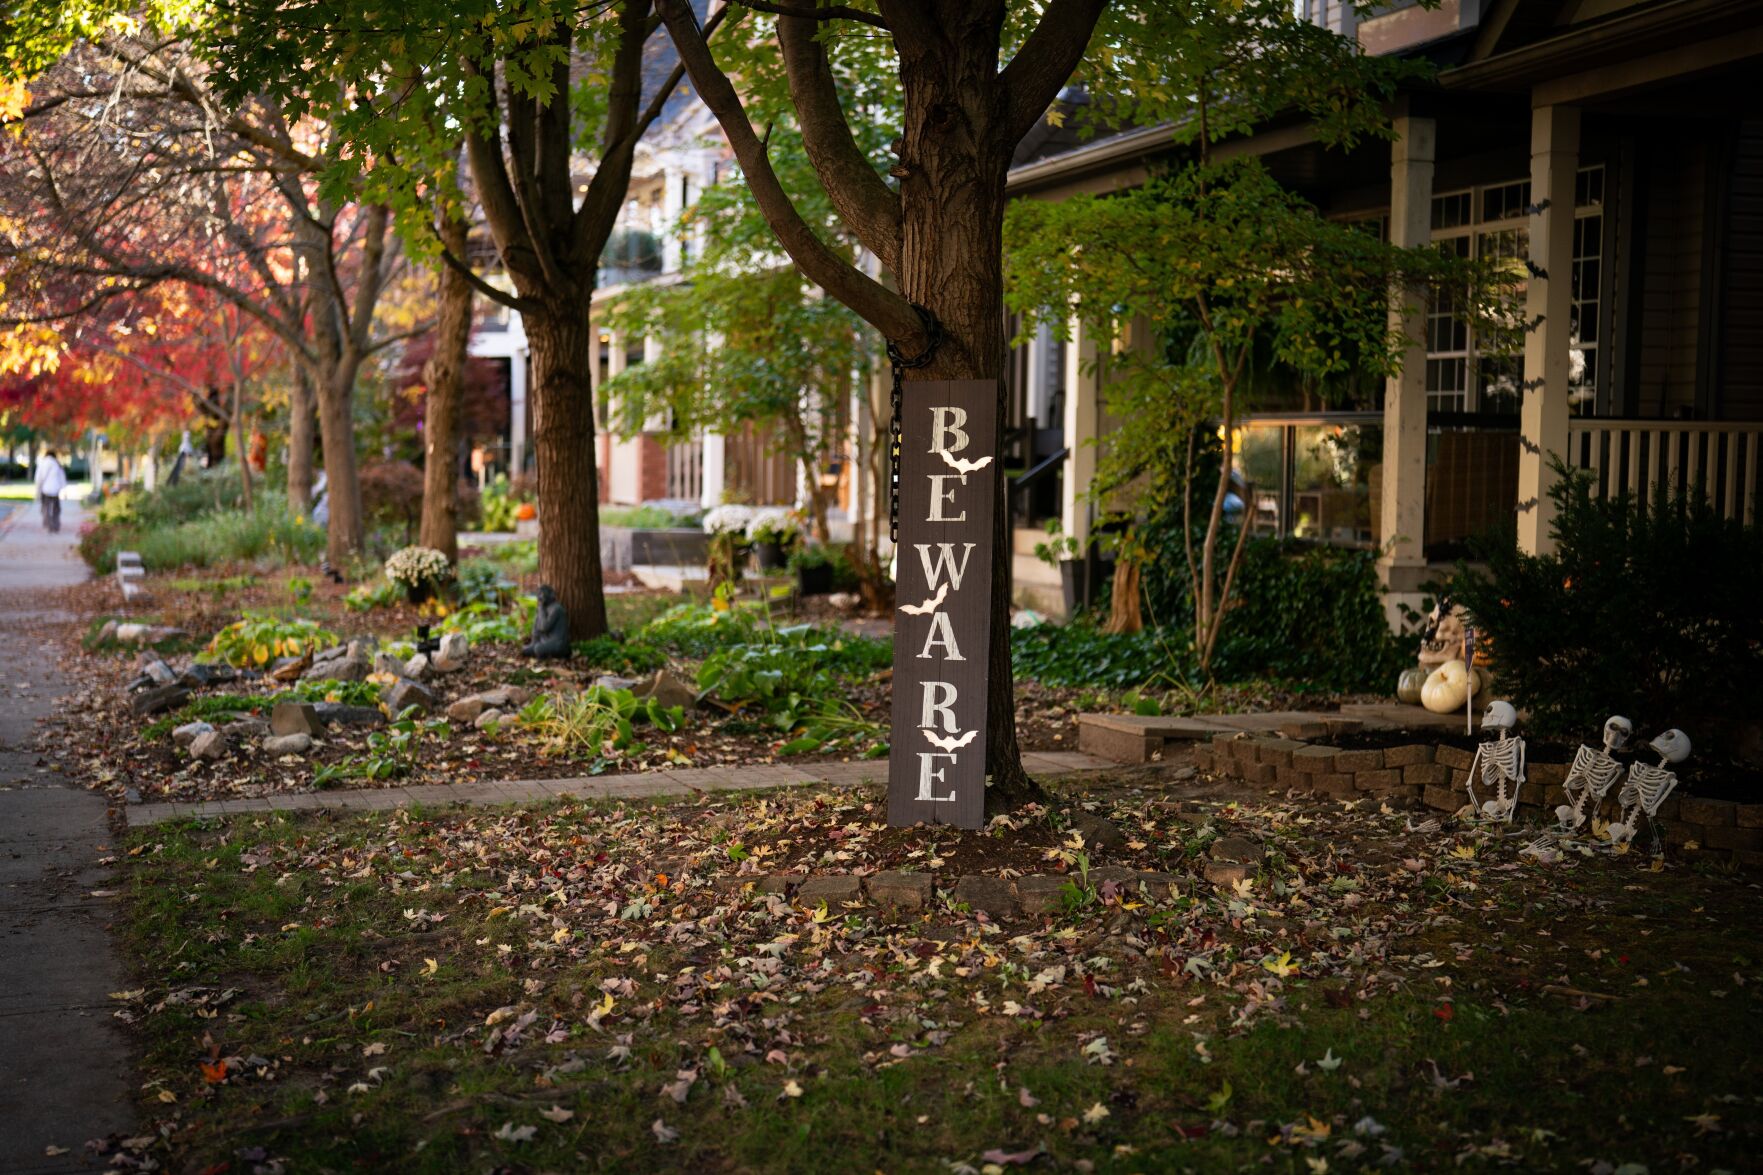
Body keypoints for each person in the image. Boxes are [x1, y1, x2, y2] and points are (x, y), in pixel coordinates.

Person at [33, 448, 66, 534]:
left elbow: (39, 478)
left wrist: (38, 488)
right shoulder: (57, 464)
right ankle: (55, 525)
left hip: (45, 489)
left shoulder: (43, 463)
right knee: (56, 509)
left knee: (46, 508)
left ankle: (47, 525)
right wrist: (63, 489)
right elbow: (62, 478)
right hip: (55, 490)